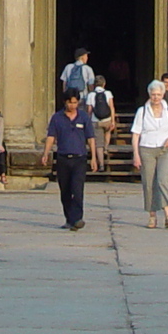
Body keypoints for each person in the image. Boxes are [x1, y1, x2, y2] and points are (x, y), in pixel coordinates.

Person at [38, 89, 99, 231]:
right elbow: (51, 137)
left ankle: (77, 218)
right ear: (65, 102)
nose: (73, 106)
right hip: (63, 158)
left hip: (79, 158)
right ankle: (69, 219)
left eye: (75, 103)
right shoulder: (57, 118)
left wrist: (94, 157)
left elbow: (90, 138)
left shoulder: (83, 117)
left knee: (77, 190)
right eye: (70, 103)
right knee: (65, 190)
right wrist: (45, 153)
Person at [130, 80, 168, 229]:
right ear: (149, 95)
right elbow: (136, 134)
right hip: (147, 148)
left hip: (165, 149)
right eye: (153, 95)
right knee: (149, 182)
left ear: (163, 94)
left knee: (163, 180)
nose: (156, 97)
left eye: (159, 94)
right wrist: (136, 154)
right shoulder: (142, 111)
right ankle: (152, 216)